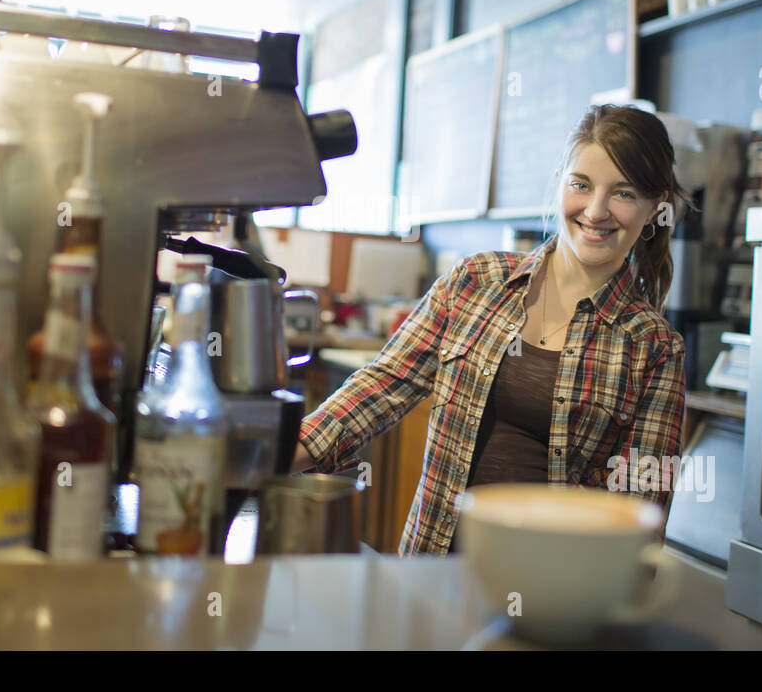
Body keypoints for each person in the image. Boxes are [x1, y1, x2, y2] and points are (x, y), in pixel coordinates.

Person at [289, 104, 690, 555]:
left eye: (623, 193)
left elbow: (640, 509)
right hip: (430, 566)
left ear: (655, 208)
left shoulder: (654, 347)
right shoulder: (476, 281)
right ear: (561, 181)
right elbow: (383, 385)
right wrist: (285, 452)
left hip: (553, 596)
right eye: (581, 184)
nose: (595, 211)